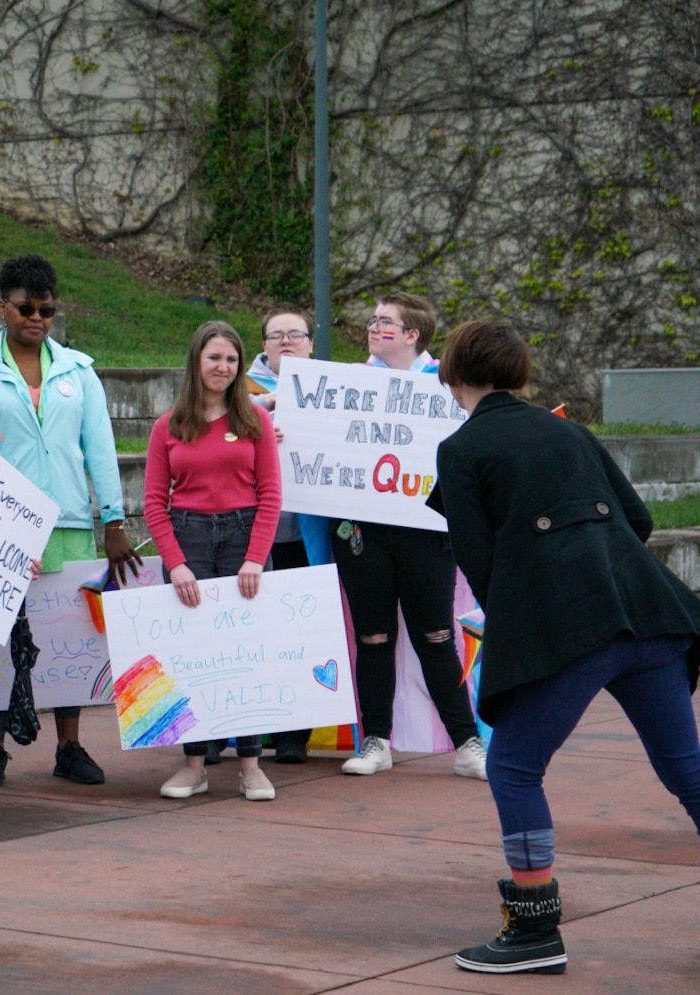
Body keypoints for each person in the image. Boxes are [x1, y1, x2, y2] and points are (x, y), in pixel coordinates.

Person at [432, 320, 700, 974]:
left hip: (567, 627)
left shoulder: (459, 449)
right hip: (648, 614)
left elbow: (478, 563)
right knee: (687, 766)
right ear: (516, 370)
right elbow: (639, 521)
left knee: (511, 767)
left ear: (451, 373)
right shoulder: (570, 430)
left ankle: (534, 927)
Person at [0, 254, 142, 787]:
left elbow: (100, 449)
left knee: (66, 632)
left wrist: (112, 521)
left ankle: (70, 745)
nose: (36, 318)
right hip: (2, 522)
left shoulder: (78, 371)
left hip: (69, 520)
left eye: (47, 309)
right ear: (2, 308)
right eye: (25, 308)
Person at [330, 292, 487, 781]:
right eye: (372, 321)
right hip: (362, 530)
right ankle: (376, 741)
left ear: (413, 333)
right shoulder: (350, 382)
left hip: (427, 531)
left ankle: (468, 744)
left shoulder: (445, 383)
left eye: (385, 322)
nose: (374, 329)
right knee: (372, 636)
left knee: (436, 637)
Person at [145, 321, 281, 802]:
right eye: (214, 358)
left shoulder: (255, 423)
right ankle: (194, 764)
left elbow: (270, 496)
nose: (222, 367)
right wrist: (176, 563)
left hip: (244, 537)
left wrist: (255, 559)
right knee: (193, 657)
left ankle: (250, 764)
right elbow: (154, 503)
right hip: (189, 537)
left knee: (244, 653)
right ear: (196, 363)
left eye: (230, 360)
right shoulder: (170, 426)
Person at [245, 304, 330, 764]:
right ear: (263, 345)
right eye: (276, 335)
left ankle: (295, 733)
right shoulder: (242, 390)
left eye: (295, 334)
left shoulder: (334, 389)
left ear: (310, 343)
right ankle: (243, 730)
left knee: (304, 633)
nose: (286, 342)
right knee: (254, 634)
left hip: (309, 534)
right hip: (252, 533)